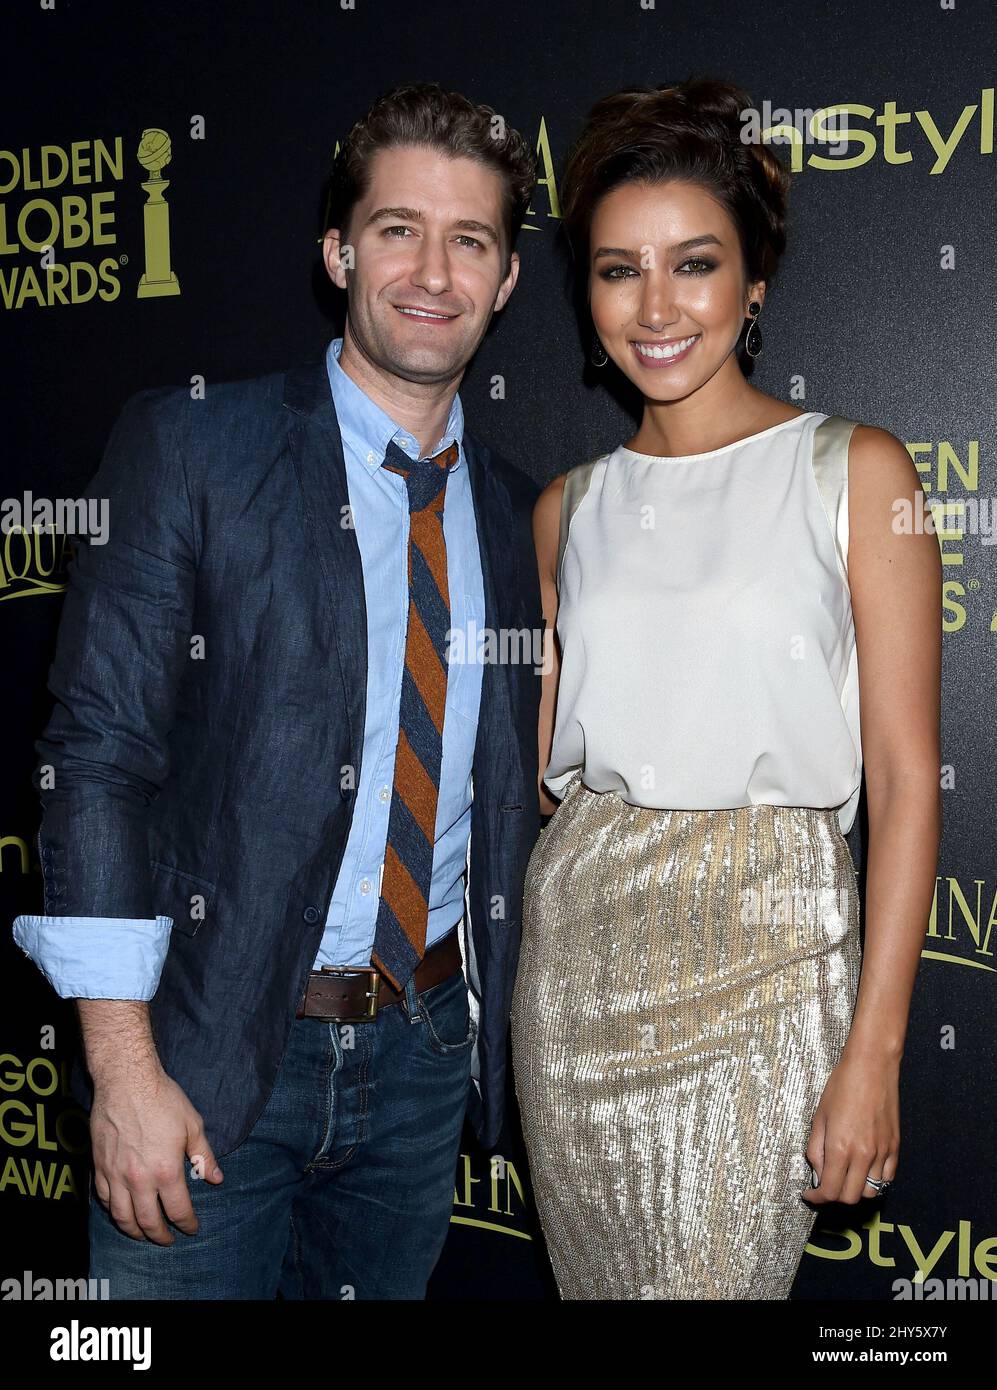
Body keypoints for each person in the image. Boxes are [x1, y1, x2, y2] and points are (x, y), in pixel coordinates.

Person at [13, 82, 543, 1300]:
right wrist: (124, 1071)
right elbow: (98, 763)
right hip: (205, 1056)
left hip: (419, 1067)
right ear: (337, 249)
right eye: (398, 228)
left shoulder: (519, 516)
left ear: (506, 281)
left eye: (471, 240)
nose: (432, 270)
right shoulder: (195, 448)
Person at [510, 77, 941, 1300]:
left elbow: (908, 781)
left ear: (753, 283)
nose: (655, 307)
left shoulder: (854, 471)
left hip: (768, 957)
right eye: (615, 270)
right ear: (584, 299)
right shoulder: (568, 509)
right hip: (580, 973)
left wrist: (875, 1049)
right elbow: (556, 775)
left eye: (693, 264)